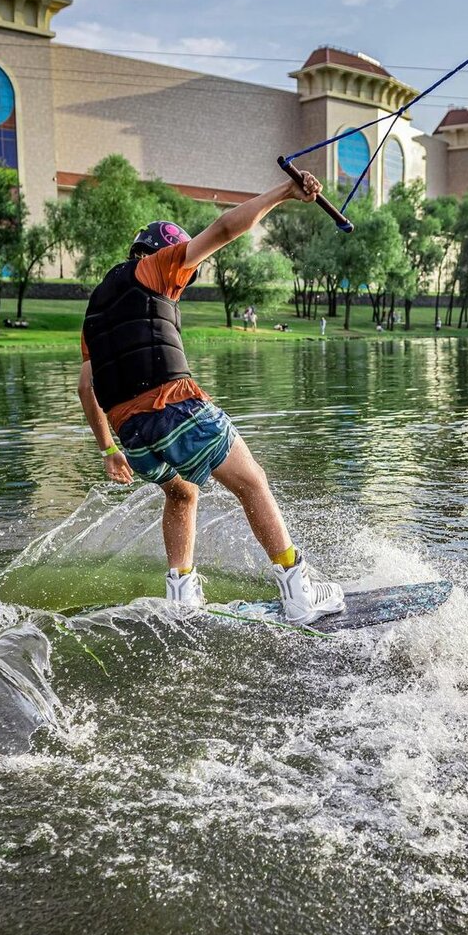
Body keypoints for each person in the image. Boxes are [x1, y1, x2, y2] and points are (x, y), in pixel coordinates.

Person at [77, 175, 344, 626]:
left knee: (181, 492)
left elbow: (87, 388)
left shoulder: (96, 310)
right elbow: (223, 230)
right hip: (174, 407)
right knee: (252, 481)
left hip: (132, 436)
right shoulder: (157, 268)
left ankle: (181, 593)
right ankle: (298, 588)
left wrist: (108, 450)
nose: (185, 280)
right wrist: (284, 192)